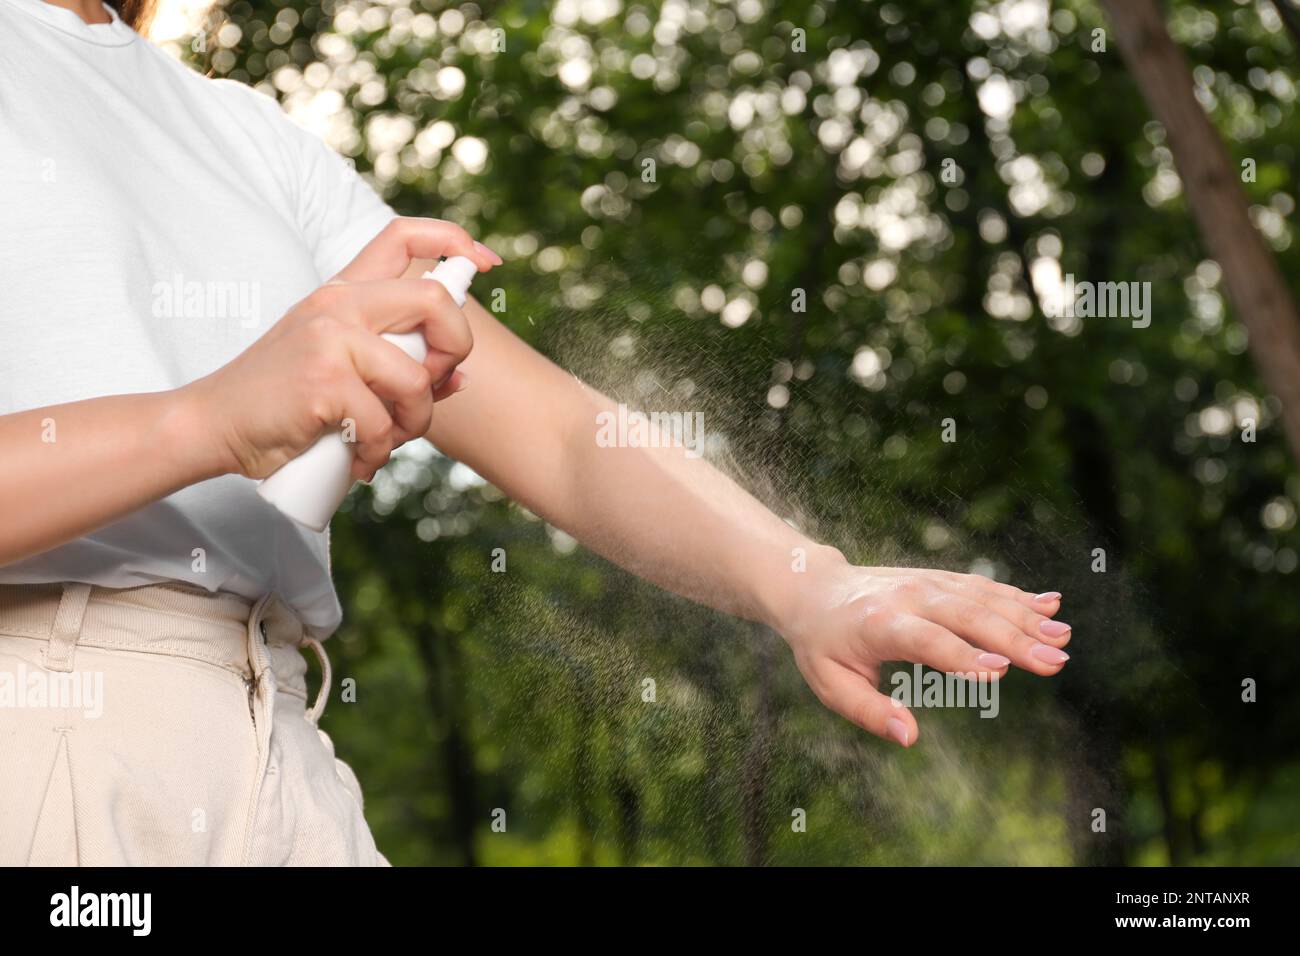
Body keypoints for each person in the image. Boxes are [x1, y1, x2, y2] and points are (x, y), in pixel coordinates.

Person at [0, 0, 1072, 866]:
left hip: (278, 742)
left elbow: (558, 433)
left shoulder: (242, 133)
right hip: (50, 728)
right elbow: (232, 412)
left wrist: (806, 580)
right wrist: (211, 418)